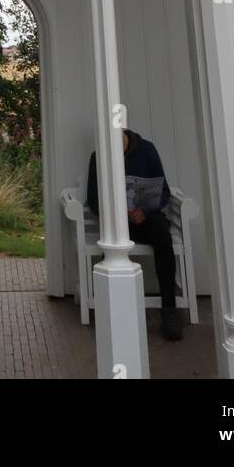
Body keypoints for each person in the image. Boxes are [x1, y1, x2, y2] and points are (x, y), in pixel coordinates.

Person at [86, 131, 183, 341]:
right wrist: (119, 211)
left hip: (146, 218)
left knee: (162, 237)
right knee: (110, 242)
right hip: (117, 222)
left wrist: (145, 211)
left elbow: (163, 191)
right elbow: (93, 201)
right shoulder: (97, 157)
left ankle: (169, 310)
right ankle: (113, 310)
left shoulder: (147, 150)